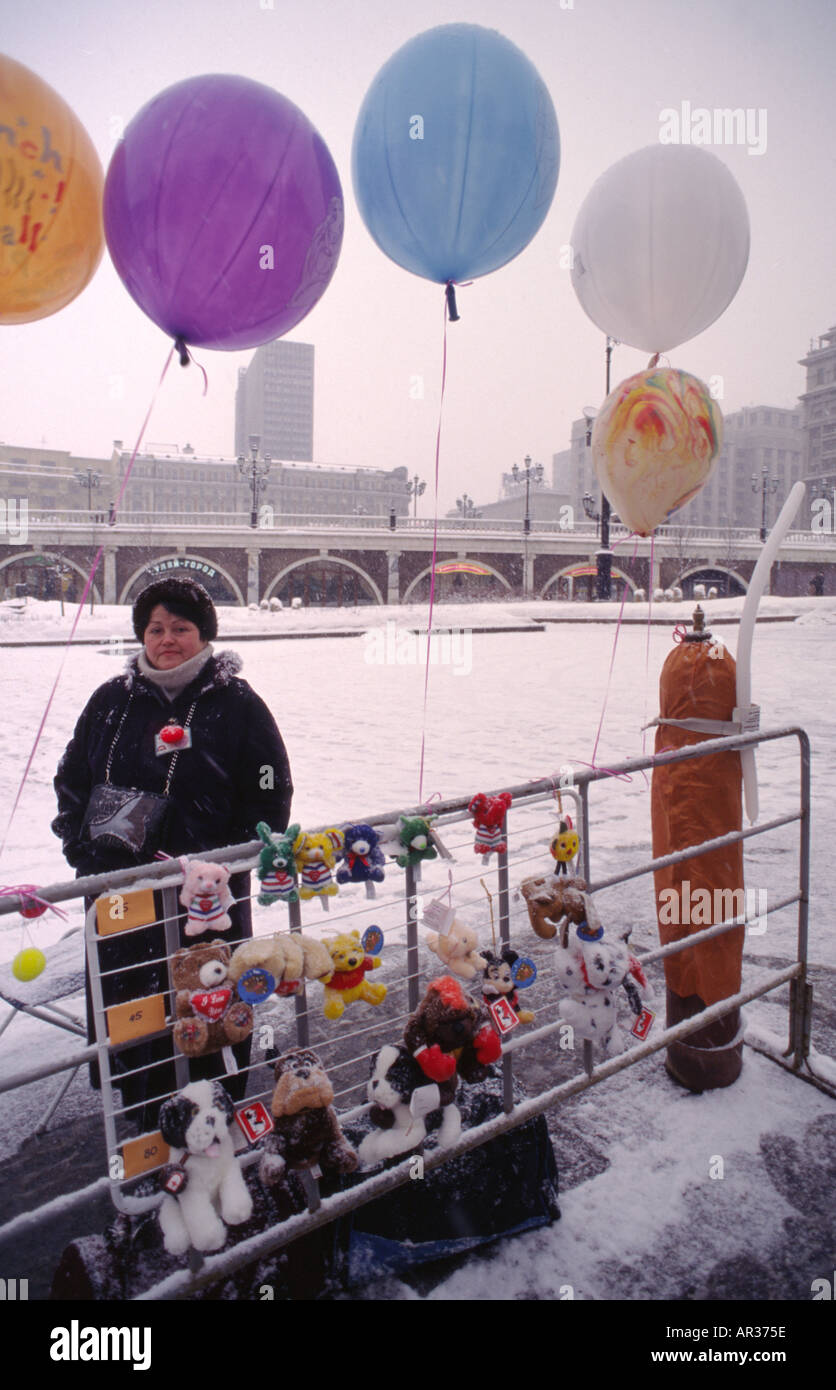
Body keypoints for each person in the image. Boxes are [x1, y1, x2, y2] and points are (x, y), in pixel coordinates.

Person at [52, 577, 293, 1131]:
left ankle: (213, 1122)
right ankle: (142, 1127)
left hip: (203, 899)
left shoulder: (237, 704)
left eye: (181, 628)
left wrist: (233, 858)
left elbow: (269, 783)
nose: (167, 639)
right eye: (156, 628)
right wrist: (80, 849)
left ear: (203, 636)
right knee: (131, 1014)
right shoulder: (111, 701)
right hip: (119, 893)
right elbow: (71, 778)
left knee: (206, 1004)